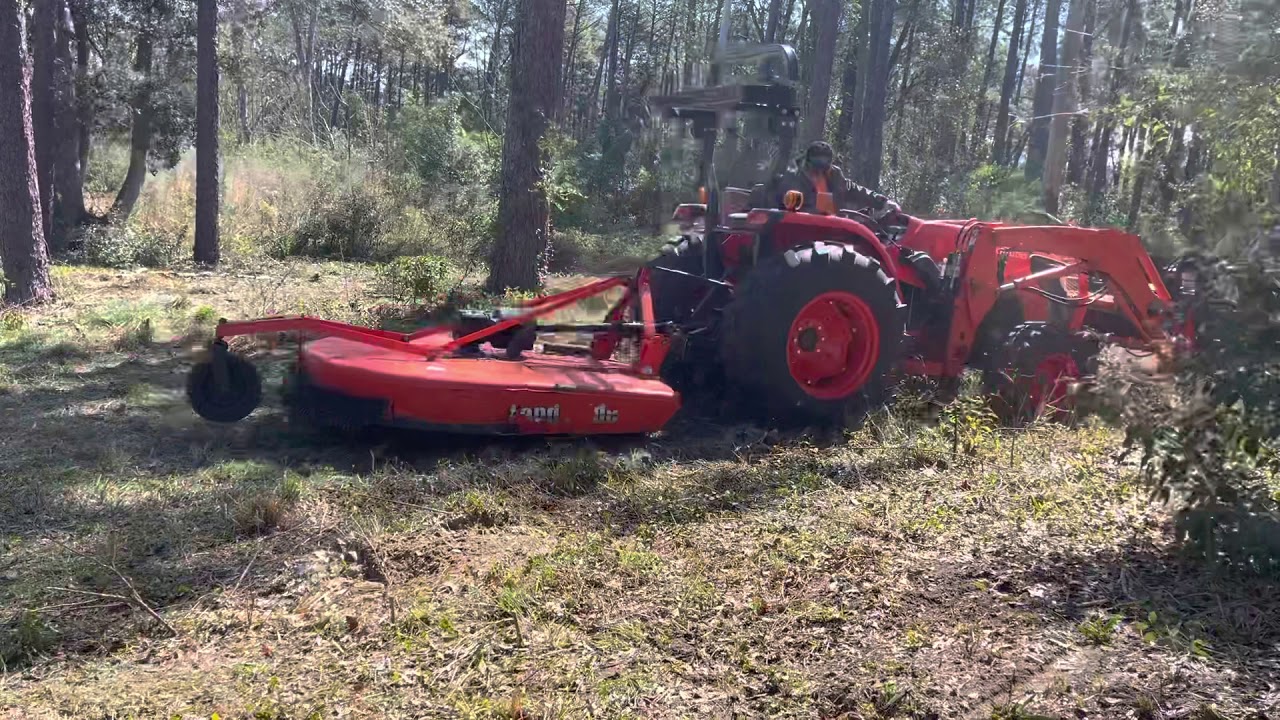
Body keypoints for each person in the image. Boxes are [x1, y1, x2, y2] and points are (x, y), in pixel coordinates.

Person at [777, 141, 901, 220]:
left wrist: (882, 202)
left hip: (834, 228)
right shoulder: (794, 178)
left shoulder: (834, 175)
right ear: (808, 160)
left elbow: (854, 190)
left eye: (825, 160)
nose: (821, 165)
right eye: (817, 160)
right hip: (802, 228)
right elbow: (785, 209)